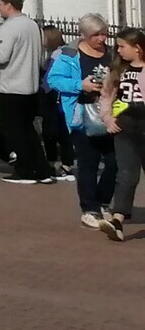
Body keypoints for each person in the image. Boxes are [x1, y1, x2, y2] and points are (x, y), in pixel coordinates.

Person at [48, 14, 121, 228]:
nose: (101, 39)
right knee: (88, 162)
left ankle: (103, 201)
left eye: (104, 34)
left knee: (115, 162)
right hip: (82, 115)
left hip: (111, 113)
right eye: (95, 35)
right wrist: (81, 85)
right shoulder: (69, 54)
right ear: (84, 35)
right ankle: (89, 209)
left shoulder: (113, 53)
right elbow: (54, 80)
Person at [0, 0, 50, 182]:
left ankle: (25, 170)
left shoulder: (10, 27)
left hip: (11, 85)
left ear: (9, 5)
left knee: (13, 131)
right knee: (28, 129)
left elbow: (1, 56)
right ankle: (42, 169)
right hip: (30, 84)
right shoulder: (33, 26)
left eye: (0, 5)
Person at [98, 28, 145, 243]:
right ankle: (117, 220)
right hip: (125, 128)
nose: (118, 50)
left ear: (138, 48)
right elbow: (106, 96)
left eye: (122, 46)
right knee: (127, 174)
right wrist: (107, 118)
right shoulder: (117, 70)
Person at [37, 25, 76, 178]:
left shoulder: (57, 54)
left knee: (52, 131)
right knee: (62, 131)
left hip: (54, 96)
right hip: (61, 96)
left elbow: (49, 79)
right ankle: (65, 164)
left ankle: (56, 163)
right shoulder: (65, 51)